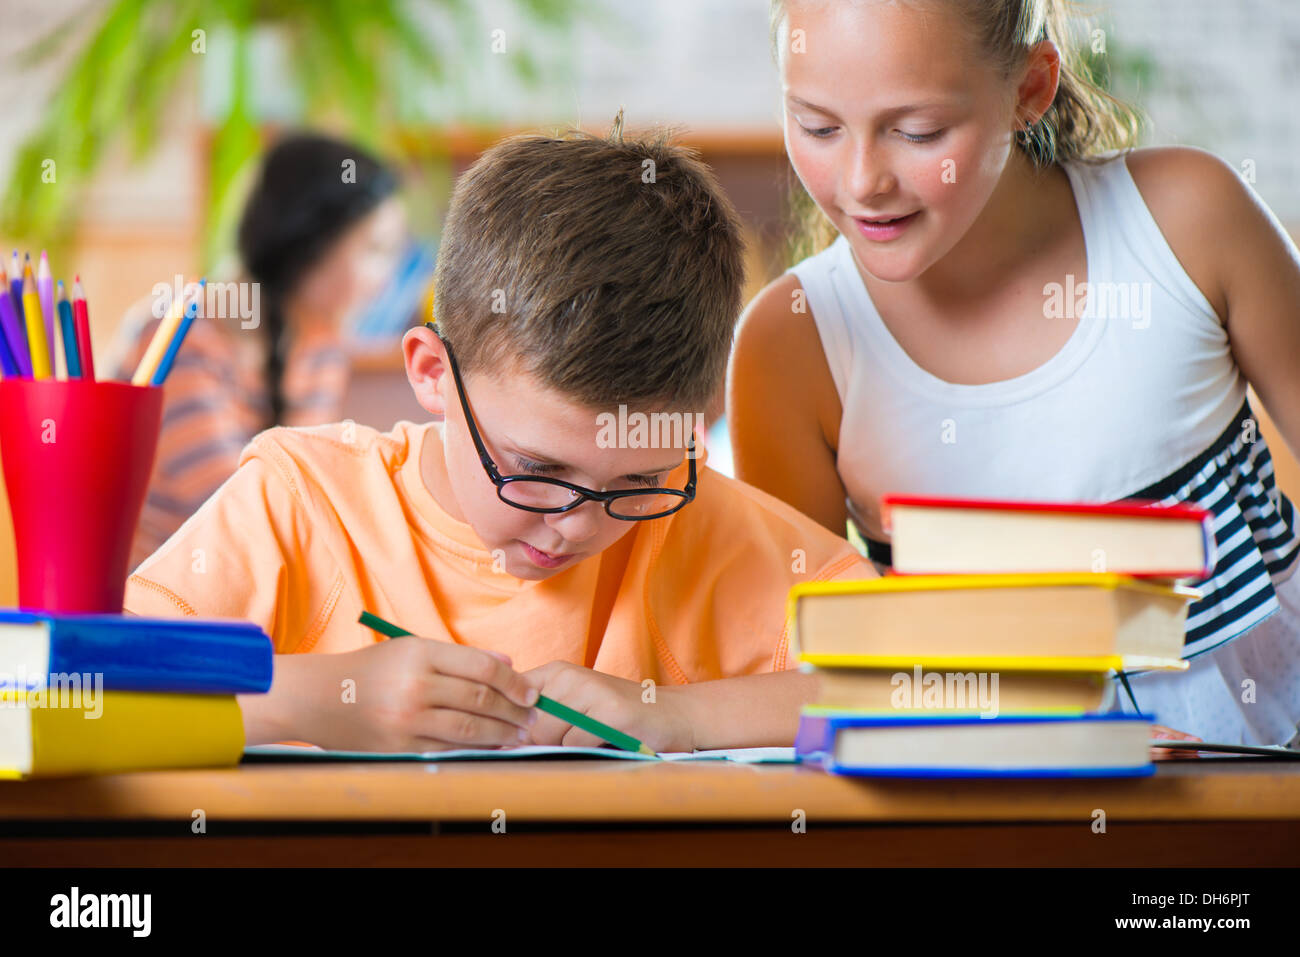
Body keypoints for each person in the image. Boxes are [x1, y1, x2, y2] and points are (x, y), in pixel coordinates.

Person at [122, 119, 876, 754]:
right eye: (536, 468)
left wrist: (672, 714)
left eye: (638, 481)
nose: (577, 524)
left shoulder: (702, 523)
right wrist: (316, 700)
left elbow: (917, 680)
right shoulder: (303, 501)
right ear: (431, 373)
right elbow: (72, 693)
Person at [728, 0, 1300, 746]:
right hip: (995, 814)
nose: (862, 180)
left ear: (1030, 89)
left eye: (917, 132)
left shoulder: (1188, 220)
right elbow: (805, 676)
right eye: (817, 126)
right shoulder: (793, 342)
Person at [111, 132, 408, 570]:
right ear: (309, 245)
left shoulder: (320, 348)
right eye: (373, 250)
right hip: (152, 603)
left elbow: (299, 498)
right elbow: (233, 518)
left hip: (244, 594)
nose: (386, 280)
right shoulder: (182, 339)